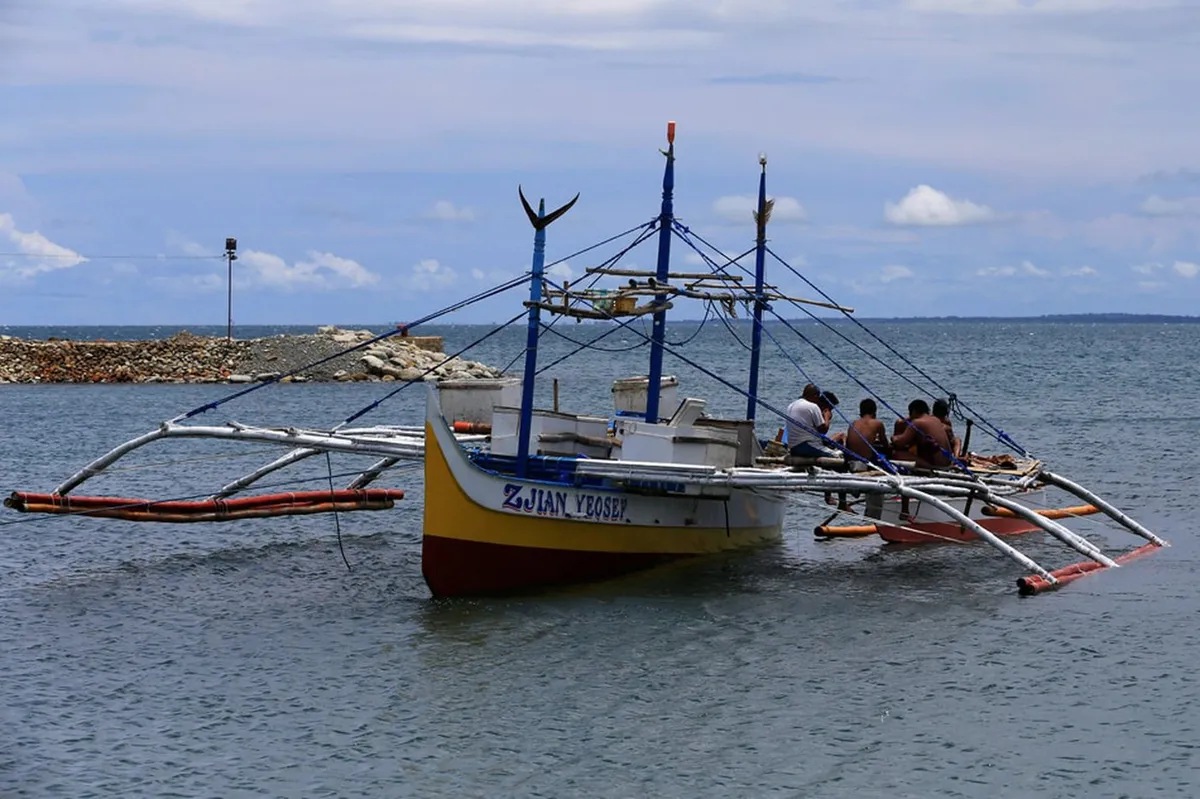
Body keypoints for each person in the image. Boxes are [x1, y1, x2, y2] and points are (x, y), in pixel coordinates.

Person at [890, 399, 952, 468]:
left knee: (897, 455)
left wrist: (893, 438)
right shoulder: (936, 420)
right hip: (947, 462)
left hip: (937, 465)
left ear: (913, 411)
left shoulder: (917, 422)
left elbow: (900, 442)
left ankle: (930, 467)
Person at [785, 383, 838, 458]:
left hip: (793, 448)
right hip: (807, 446)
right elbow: (823, 430)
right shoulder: (812, 406)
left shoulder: (791, 405)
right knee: (837, 455)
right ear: (815, 396)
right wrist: (827, 416)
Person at [844, 398, 890, 467]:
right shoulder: (877, 423)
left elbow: (848, 444)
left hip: (851, 459)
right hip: (866, 461)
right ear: (874, 411)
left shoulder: (853, 423)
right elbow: (885, 444)